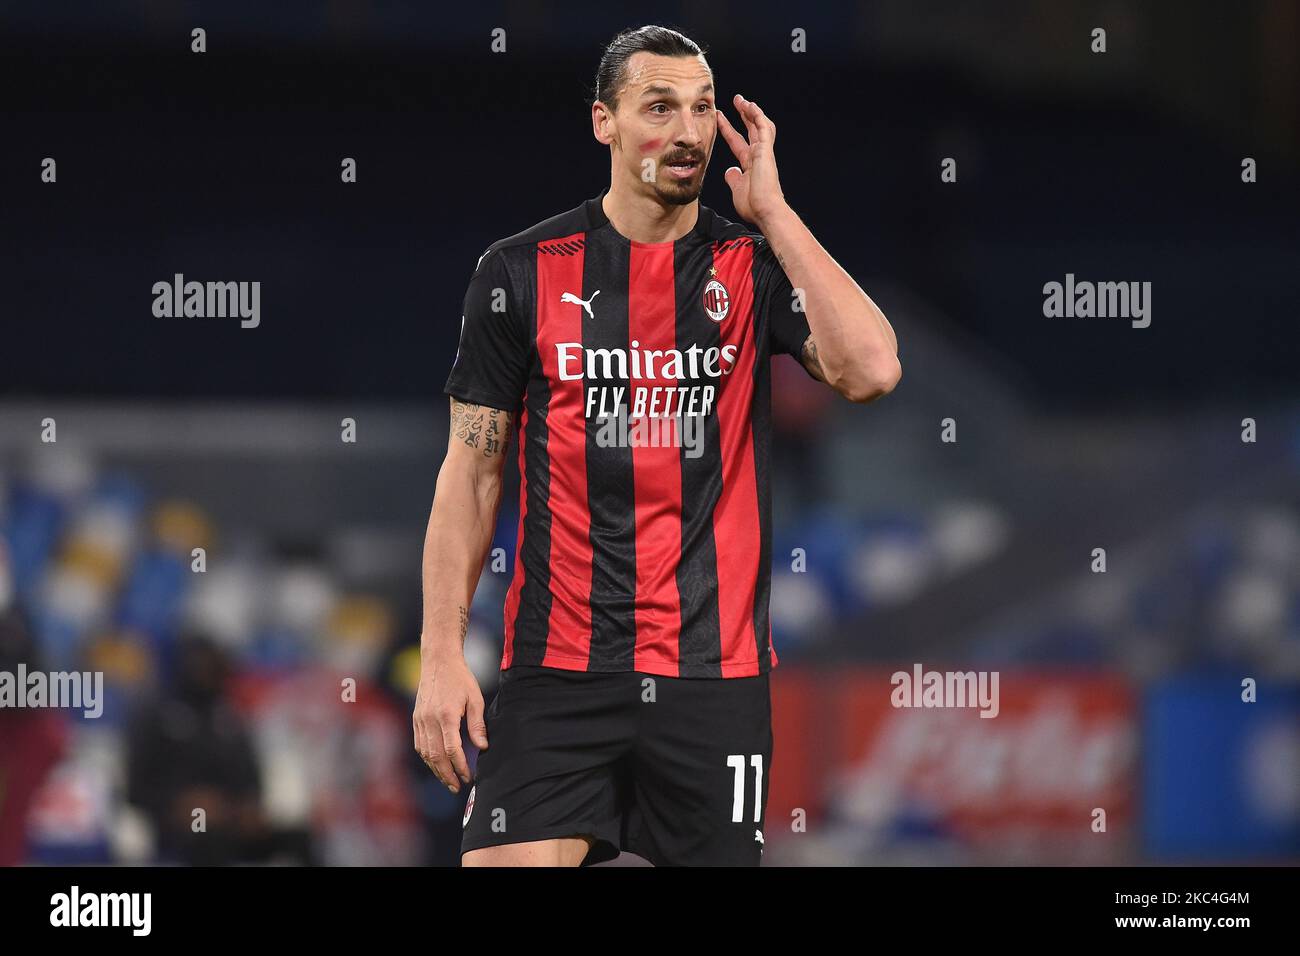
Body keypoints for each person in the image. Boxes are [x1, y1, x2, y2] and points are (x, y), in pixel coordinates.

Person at [414, 24, 900, 867]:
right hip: (557, 671)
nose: (687, 131)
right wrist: (439, 654)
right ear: (603, 122)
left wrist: (777, 216)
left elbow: (872, 369)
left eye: (704, 109)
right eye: (660, 107)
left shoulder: (750, 265)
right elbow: (471, 471)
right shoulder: (520, 272)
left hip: (714, 681)